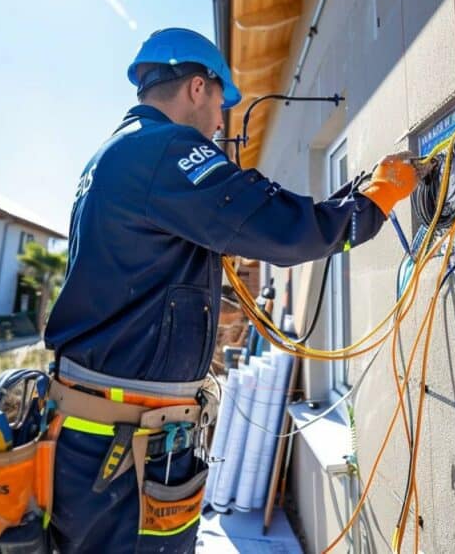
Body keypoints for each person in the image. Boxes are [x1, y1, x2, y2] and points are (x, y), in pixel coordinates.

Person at [43, 28, 418, 553]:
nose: (221, 121)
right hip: (123, 446)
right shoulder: (166, 149)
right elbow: (278, 227)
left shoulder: (117, 155)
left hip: (99, 438)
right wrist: (373, 204)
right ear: (198, 87)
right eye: (221, 102)